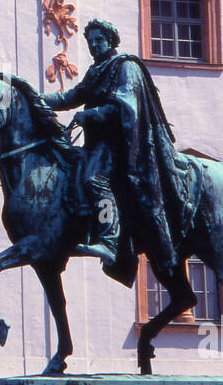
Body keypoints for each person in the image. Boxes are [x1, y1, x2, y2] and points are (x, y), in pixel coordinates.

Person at [40, 18, 202, 283]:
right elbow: (71, 97)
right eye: (90, 41)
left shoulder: (125, 67)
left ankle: (108, 238)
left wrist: (90, 115)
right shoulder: (97, 70)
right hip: (97, 143)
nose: (93, 45)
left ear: (111, 41)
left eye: (98, 40)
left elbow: (127, 107)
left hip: (123, 146)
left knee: (94, 179)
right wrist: (35, 99)